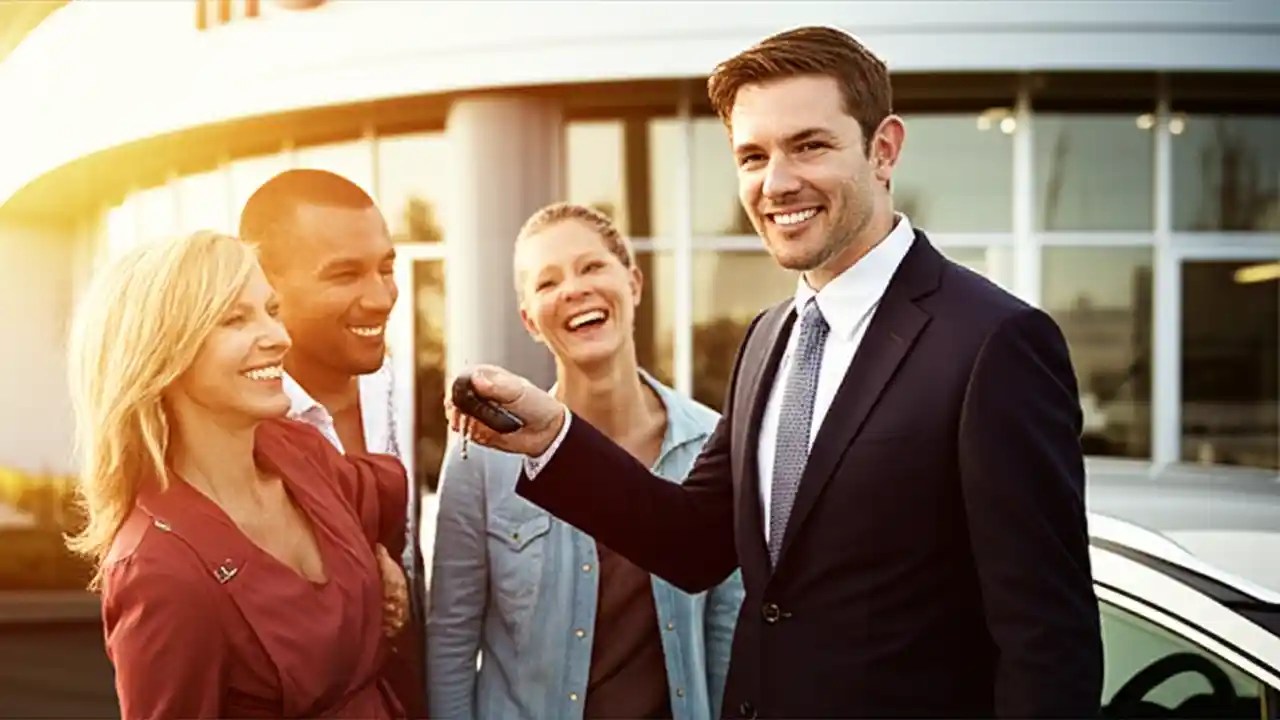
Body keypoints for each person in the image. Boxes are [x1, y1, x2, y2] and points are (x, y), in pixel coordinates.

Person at [445, 26, 1104, 719]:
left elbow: (1046, 643)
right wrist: (554, 433)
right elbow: (693, 541)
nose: (776, 183)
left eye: (809, 146)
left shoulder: (995, 343)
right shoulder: (768, 338)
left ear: (884, 149)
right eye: (752, 156)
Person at [65, 231, 411, 718]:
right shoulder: (159, 571)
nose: (279, 337)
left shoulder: (298, 450)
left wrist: (380, 563)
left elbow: (382, 491)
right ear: (162, 355)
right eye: (234, 319)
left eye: (271, 310)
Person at [427, 203, 744, 720]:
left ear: (635, 284)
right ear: (530, 320)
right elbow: (451, 639)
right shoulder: (482, 455)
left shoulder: (711, 442)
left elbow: (726, 634)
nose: (574, 289)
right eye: (548, 282)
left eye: (592, 266)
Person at [238, 169, 427, 718]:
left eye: (387, 268)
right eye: (345, 275)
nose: (382, 297)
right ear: (265, 281)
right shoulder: (236, 425)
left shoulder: (398, 385)